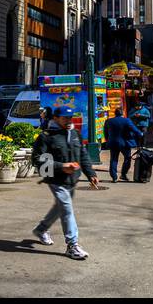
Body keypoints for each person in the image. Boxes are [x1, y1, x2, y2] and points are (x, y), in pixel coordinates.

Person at [31, 106, 99, 260]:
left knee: (60, 208)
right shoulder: (46, 136)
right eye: (65, 118)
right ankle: (72, 245)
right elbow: (37, 159)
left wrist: (91, 174)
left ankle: (41, 230)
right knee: (67, 209)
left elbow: (83, 155)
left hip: (72, 179)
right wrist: (62, 166)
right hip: (55, 179)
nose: (69, 121)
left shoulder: (75, 134)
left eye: (70, 118)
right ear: (55, 118)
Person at [103, 111, 144, 183]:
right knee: (127, 158)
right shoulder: (126, 120)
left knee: (113, 159)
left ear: (115, 114)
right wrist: (140, 134)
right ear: (122, 114)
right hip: (125, 143)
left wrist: (108, 140)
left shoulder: (108, 121)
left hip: (113, 143)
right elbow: (134, 130)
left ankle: (114, 177)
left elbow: (106, 133)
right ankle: (123, 174)